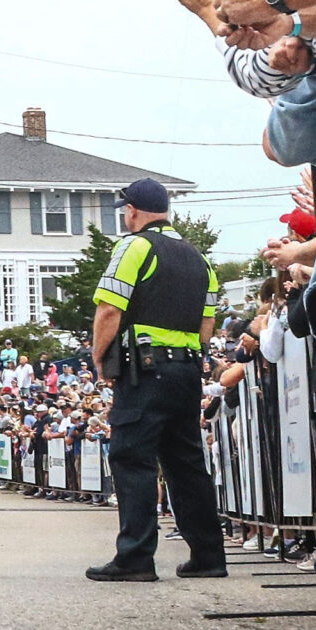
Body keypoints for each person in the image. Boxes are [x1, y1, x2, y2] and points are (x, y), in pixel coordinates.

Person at [86, 179, 224, 582]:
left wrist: (100, 359)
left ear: (132, 211)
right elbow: (207, 322)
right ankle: (208, 556)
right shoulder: (199, 258)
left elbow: (110, 309)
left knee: (133, 459)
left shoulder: (134, 247)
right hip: (186, 370)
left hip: (145, 368)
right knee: (186, 464)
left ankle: (135, 557)